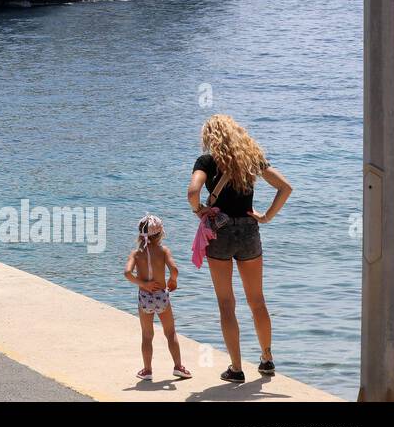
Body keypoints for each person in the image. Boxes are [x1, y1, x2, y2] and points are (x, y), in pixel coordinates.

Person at [186, 114, 293, 383]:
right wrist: (266, 216)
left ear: (211, 137)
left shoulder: (207, 162)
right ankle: (267, 359)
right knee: (257, 301)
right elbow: (285, 187)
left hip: (219, 234)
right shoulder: (250, 158)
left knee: (226, 304)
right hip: (249, 231)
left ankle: (236, 368)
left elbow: (192, 192)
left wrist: (199, 211)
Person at [123, 214, 192, 382]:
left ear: (140, 234)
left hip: (145, 296)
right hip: (161, 295)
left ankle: (147, 370)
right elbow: (174, 269)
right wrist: (172, 280)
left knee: (147, 335)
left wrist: (144, 284)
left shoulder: (136, 253)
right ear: (160, 233)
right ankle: (178, 367)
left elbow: (127, 273)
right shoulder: (163, 251)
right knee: (170, 332)